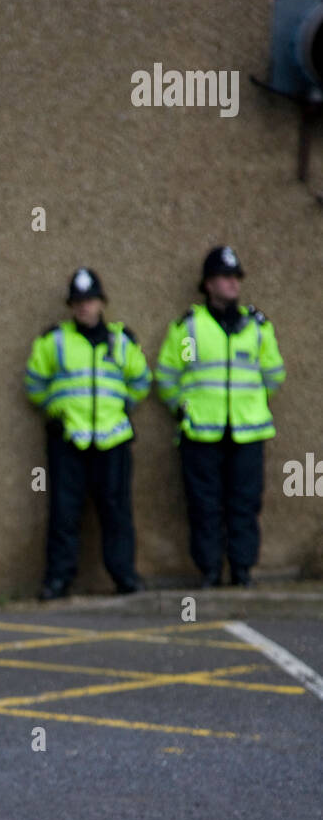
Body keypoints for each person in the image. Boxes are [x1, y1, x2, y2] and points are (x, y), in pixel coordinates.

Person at [156, 246, 286, 587]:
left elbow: (273, 375)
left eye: (235, 278)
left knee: (244, 504)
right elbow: (169, 376)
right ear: (208, 284)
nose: (232, 284)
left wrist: (250, 404)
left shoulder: (258, 327)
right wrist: (182, 409)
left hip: (247, 430)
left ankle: (242, 570)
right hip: (201, 431)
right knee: (204, 506)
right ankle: (210, 570)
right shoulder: (190, 329)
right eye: (225, 277)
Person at [25, 268, 151, 600]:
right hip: (69, 439)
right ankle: (58, 580)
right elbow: (34, 385)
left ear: (101, 303)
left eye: (90, 301)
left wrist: (121, 408)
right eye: (78, 302)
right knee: (65, 513)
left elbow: (141, 381)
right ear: (71, 306)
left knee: (116, 512)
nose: (84, 308)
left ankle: (124, 576)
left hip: (113, 439)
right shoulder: (54, 341)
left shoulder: (122, 341)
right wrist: (56, 411)